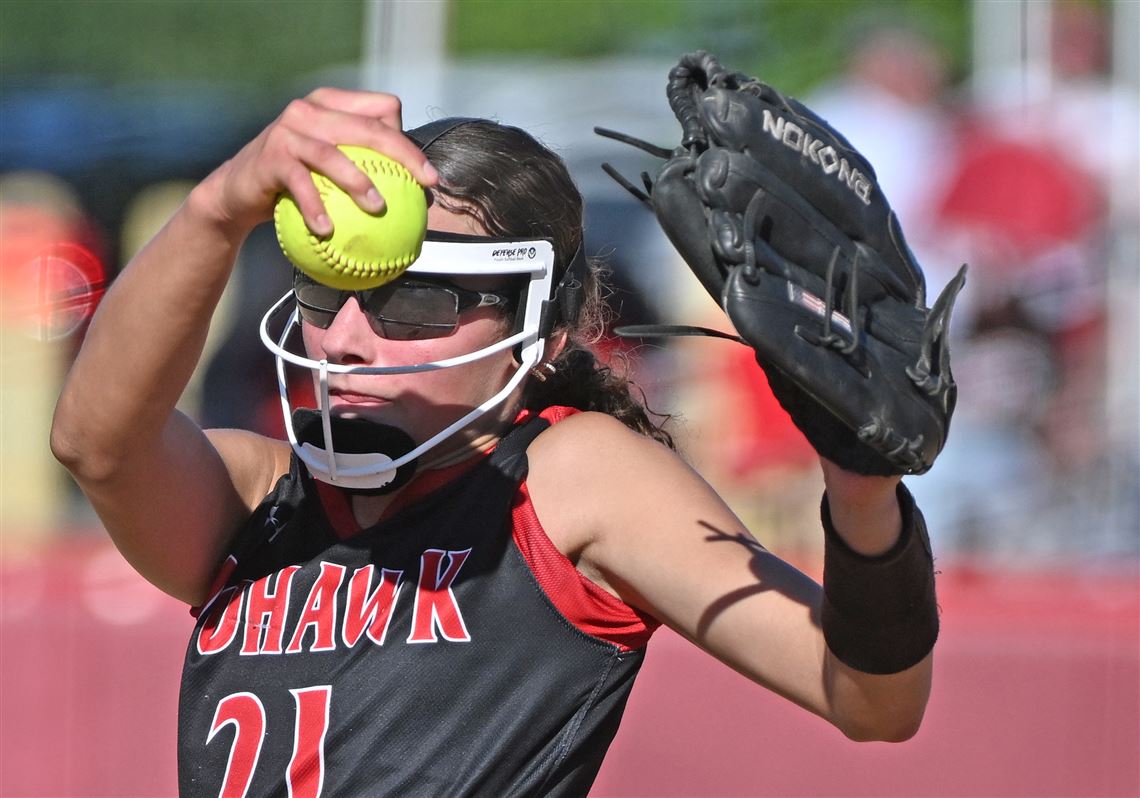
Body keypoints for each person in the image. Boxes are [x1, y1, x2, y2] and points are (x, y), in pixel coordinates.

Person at [51, 88, 938, 797]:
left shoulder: (567, 476)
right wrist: (218, 207)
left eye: (418, 302)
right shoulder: (261, 493)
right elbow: (96, 440)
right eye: (328, 292)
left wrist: (864, 499)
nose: (347, 337)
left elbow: (871, 698)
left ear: (540, 334)